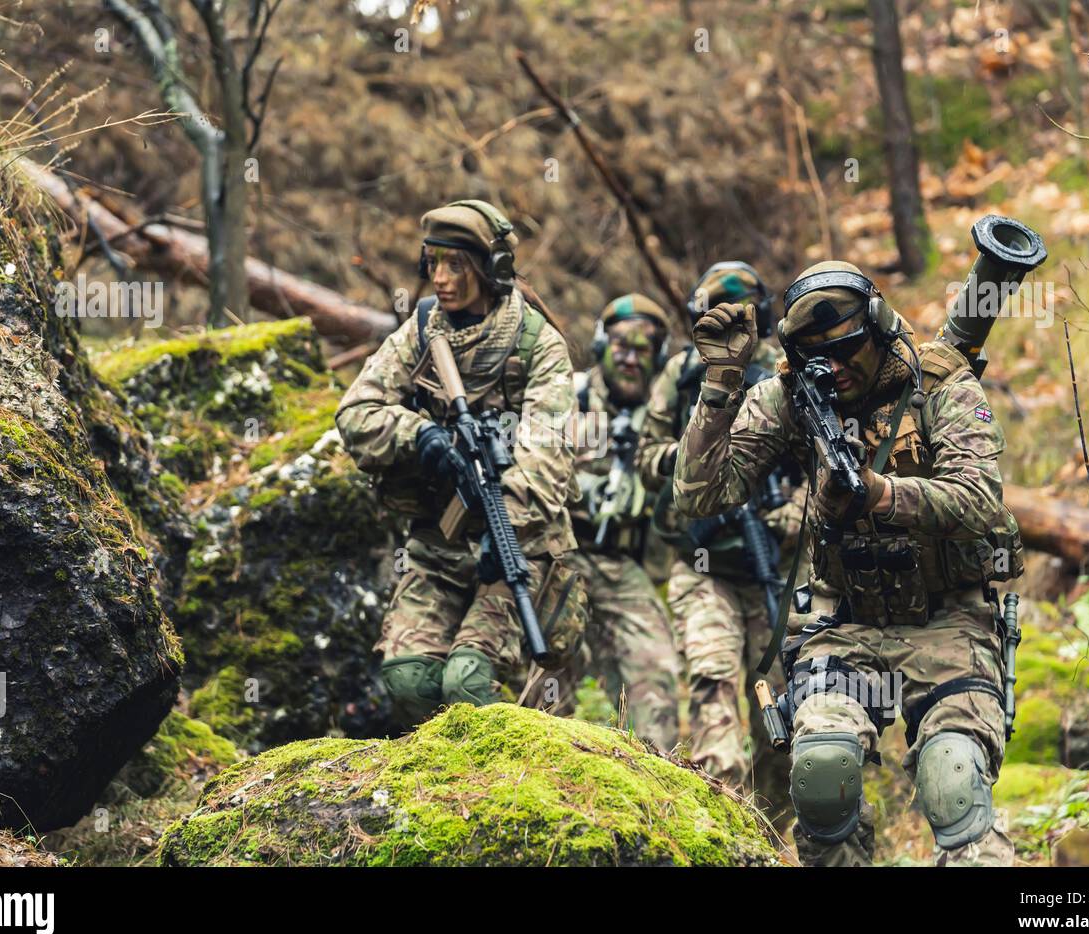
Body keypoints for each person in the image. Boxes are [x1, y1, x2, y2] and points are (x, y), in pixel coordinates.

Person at [671, 259, 1023, 866]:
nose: (832, 367)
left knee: (954, 782)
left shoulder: (940, 383)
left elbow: (981, 503)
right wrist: (720, 387)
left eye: (845, 349)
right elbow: (699, 495)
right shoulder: (793, 394)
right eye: (816, 356)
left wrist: (881, 493)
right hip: (846, 624)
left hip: (949, 622)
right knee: (822, 777)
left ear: (880, 327)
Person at [335, 199, 587, 729]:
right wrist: (418, 434)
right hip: (439, 546)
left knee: (467, 683)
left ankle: (520, 781)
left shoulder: (537, 344)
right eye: (433, 264)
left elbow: (547, 460)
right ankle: (454, 789)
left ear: (490, 271)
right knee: (408, 681)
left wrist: (507, 526)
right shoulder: (423, 330)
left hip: (520, 546)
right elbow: (356, 413)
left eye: (457, 266)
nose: (441, 280)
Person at [637, 262, 807, 807]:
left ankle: (775, 835)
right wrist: (700, 456)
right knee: (711, 683)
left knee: (781, 713)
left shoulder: (789, 378)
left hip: (773, 568)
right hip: (703, 563)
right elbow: (645, 457)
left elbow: (828, 466)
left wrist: (793, 509)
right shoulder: (683, 375)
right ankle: (720, 813)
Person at [558, 293, 681, 749]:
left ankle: (658, 782)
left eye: (642, 349)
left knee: (656, 670)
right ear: (599, 347)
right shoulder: (563, 398)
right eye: (619, 346)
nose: (629, 359)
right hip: (560, 557)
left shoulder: (666, 414)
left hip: (624, 565)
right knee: (546, 672)